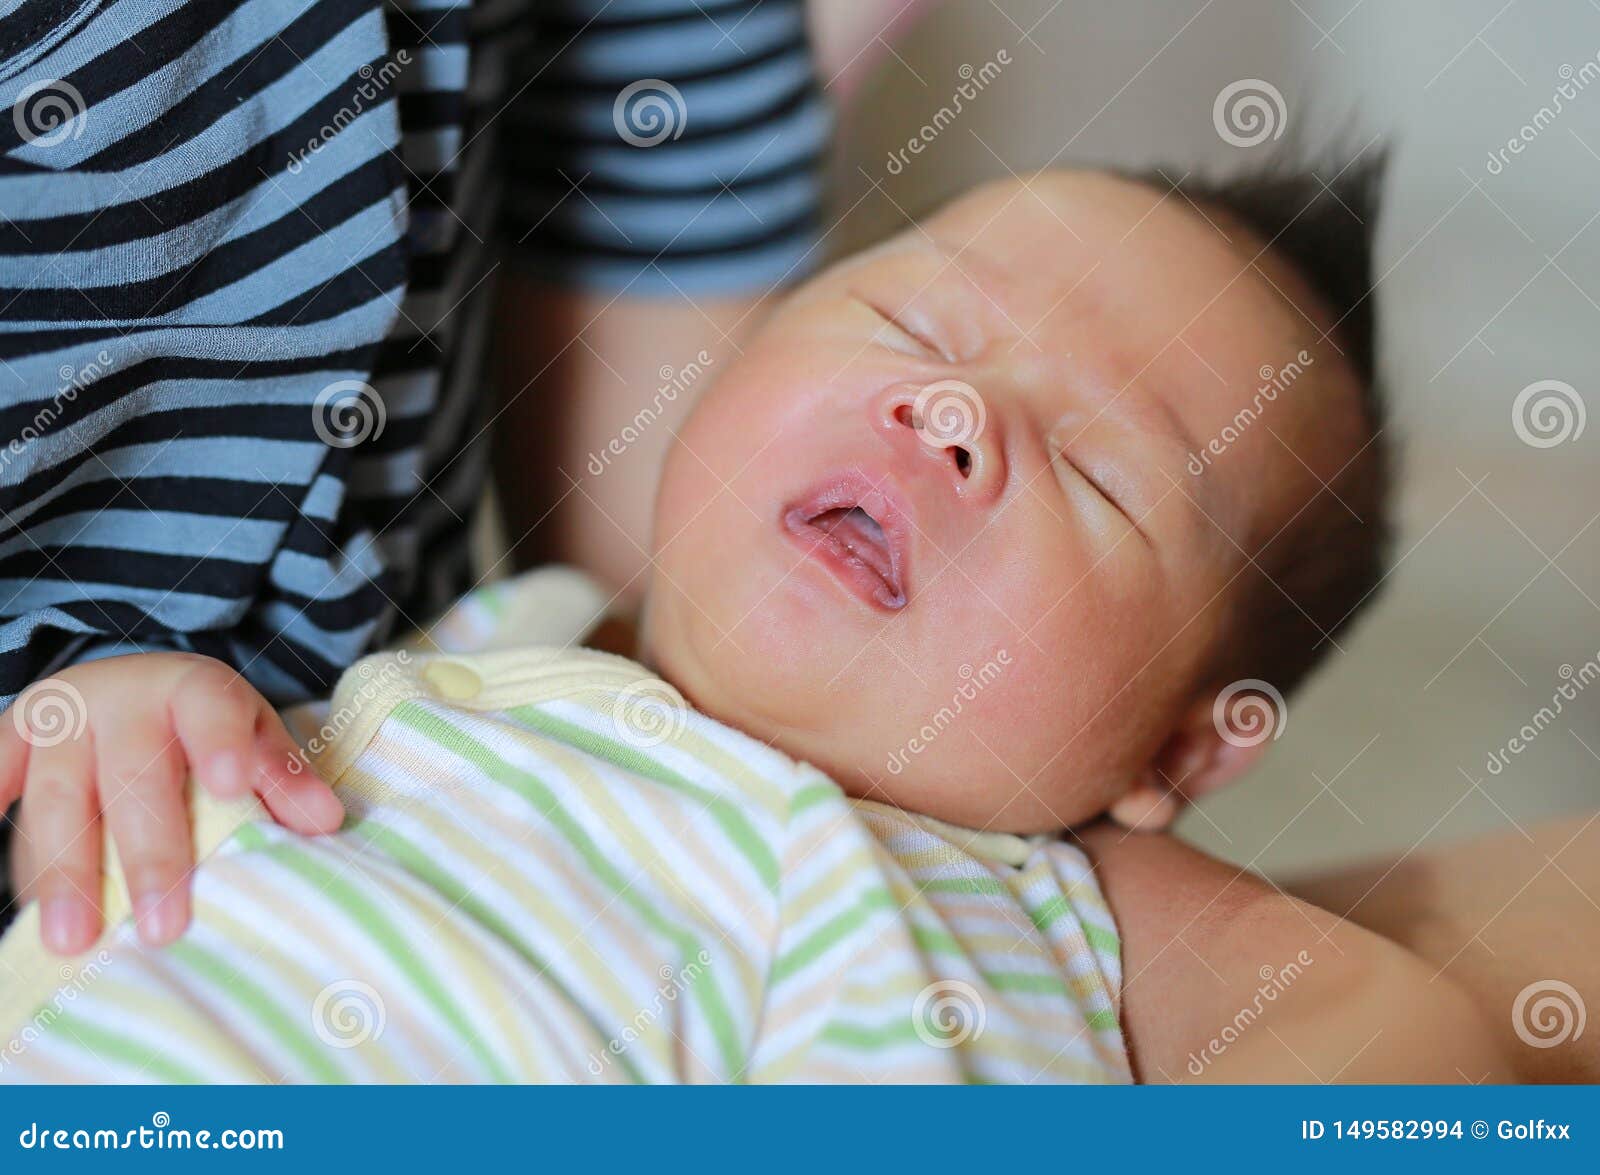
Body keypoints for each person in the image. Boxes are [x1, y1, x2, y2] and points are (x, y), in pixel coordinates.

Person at [0, 162, 1513, 1083]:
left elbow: (1407, 1059)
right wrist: (152, 731)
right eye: (913, 325)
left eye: (1104, 475)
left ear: (1178, 748)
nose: (956, 414)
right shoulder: (496, 636)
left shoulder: (1000, 900)